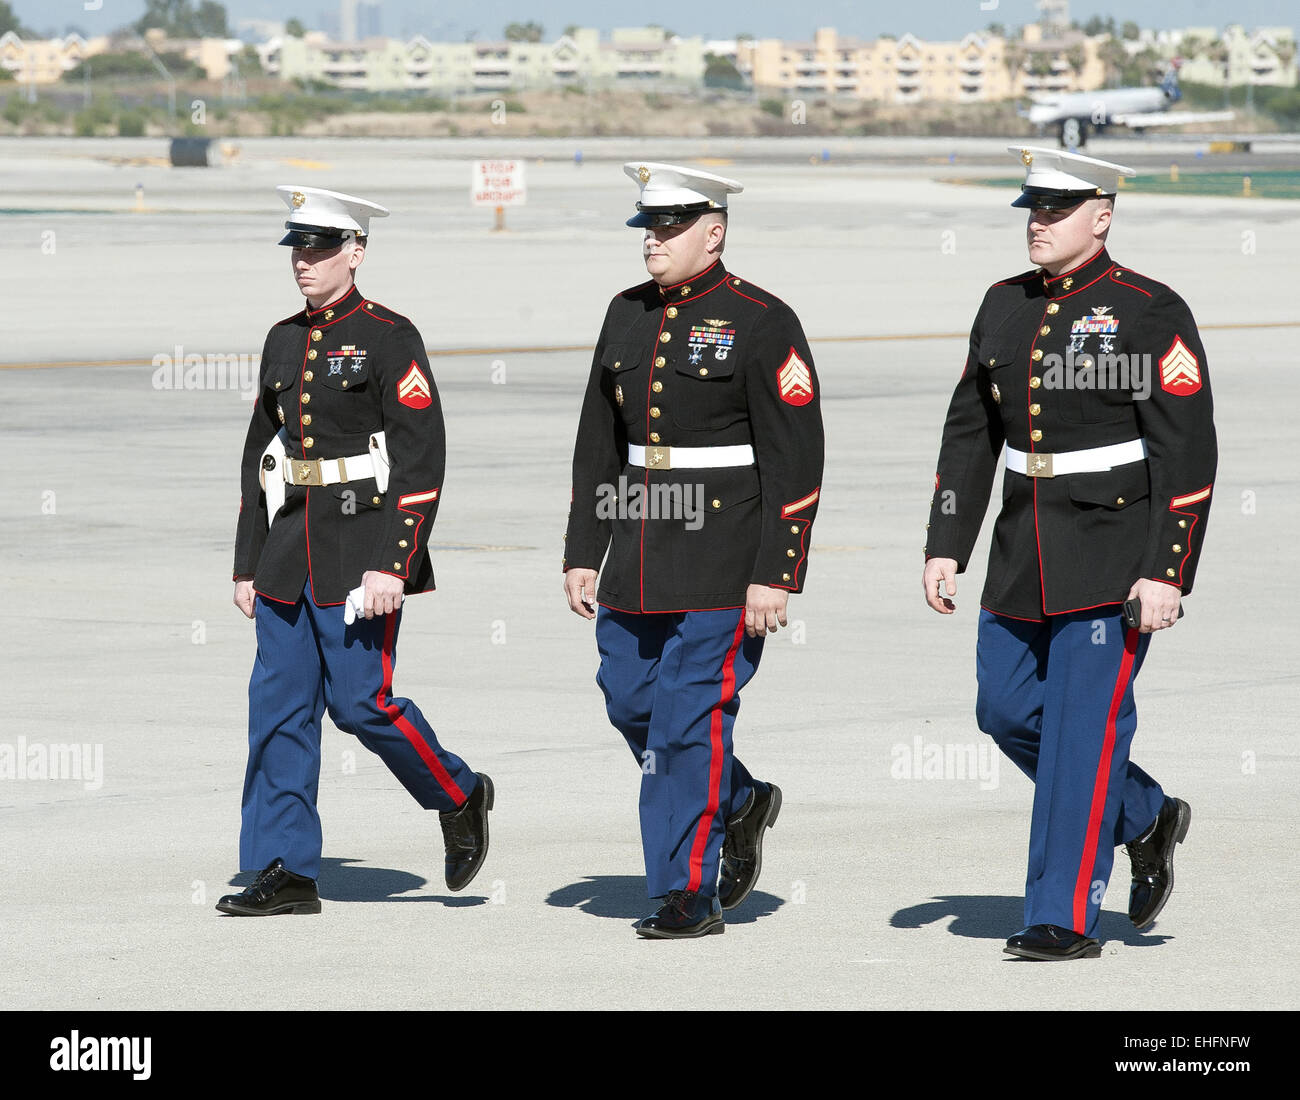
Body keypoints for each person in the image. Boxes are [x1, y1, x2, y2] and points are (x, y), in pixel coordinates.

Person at [922, 147, 1216, 960]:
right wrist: (947, 540)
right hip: (1022, 550)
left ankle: (1062, 915)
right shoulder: (1003, 304)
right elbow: (970, 433)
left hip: (1114, 553)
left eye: (1056, 210)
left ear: (1103, 215)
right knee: (1005, 710)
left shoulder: (1148, 309)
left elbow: (1186, 451)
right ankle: (1143, 814)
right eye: (1032, 209)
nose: (1038, 223)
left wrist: (1167, 570)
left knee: (1082, 735)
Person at [563, 163, 825, 938]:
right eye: (648, 225)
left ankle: (685, 891)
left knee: (686, 721)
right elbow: (598, 443)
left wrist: (777, 572)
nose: (654, 239)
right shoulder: (625, 313)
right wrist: (584, 549)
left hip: (723, 554)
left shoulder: (761, 319)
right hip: (638, 549)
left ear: (713, 233)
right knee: (630, 699)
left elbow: (795, 457)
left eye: (671, 226)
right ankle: (738, 799)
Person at [218, 185, 492, 916]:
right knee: (277, 710)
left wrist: (394, 563)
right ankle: (285, 869)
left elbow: (420, 458)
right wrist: (246, 561)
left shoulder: (388, 336)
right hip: (287, 552)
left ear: (356, 253)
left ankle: (459, 791)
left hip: (359, 549)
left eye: (319, 248)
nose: (303, 262)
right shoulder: (282, 338)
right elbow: (260, 458)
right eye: (297, 248)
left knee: (362, 705)